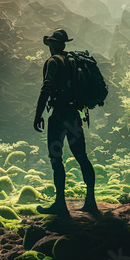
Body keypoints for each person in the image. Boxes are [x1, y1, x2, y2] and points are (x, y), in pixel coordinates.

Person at [33, 29, 98, 217]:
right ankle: (91, 202)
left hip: (59, 116)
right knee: (82, 156)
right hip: (74, 115)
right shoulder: (73, 61)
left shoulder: (53, 62)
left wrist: (38, 115)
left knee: (56, 158)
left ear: (53, 45)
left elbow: (46, 88)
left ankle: (60, 204)